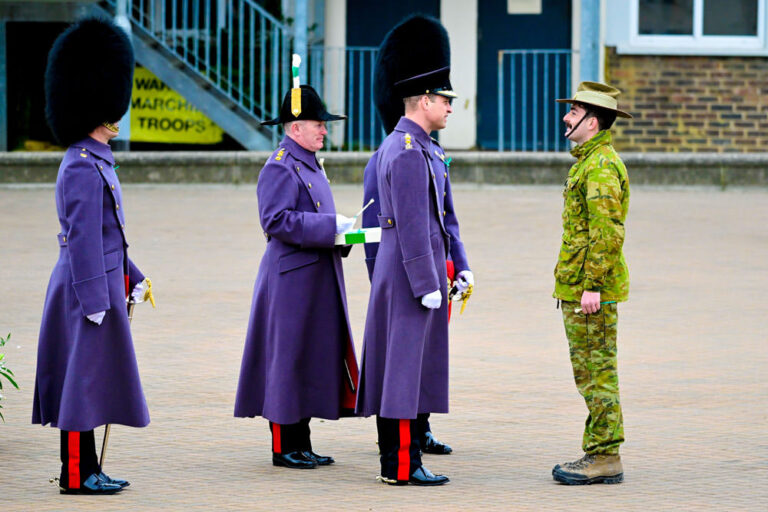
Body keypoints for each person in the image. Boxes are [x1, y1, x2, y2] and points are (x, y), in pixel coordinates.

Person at [32, 17, 153, 495]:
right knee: (80, 382)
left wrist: (133, 276)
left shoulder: (96, 158)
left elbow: (111, 236)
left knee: (91, 381)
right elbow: (82, 239)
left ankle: (89, 468)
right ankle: (76, 474)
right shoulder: (81, 165)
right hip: (85, 290)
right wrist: (95, 301)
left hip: (98, 283)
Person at [356, 16, 473, 486]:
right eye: (445, 99)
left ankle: (404, 460)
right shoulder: (406, 150)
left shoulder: (424, 149)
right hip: (409, 274)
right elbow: (409, 225)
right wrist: (427, 283)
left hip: (417, 271)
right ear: (424, 100)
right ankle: (400, 466)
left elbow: (443, 220)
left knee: (410, 368)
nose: (450, 107)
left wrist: (460, 267)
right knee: (402, 371)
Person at [234, 78, 358, 470]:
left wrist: (342, 233)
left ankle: (302, 442)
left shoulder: (308, 161)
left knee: (308, 357)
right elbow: (275, 220)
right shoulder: (280, 165)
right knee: (286, 360)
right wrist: (330, 227)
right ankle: (283, 445)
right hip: (290, 279)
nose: (324, 131)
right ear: (295, 128)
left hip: (314, 275)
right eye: (318, 124)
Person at [550, 81, 632, 485]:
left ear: (592, 122)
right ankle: (600, 450)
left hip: (590, 289)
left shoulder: (599, 166)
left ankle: (605, 456)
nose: (566, 117)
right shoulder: (588, 161)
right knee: (589, 373)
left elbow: (607, 232)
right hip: (578, 284)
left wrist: (593, 286)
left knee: (598, 373)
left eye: (574, 111)